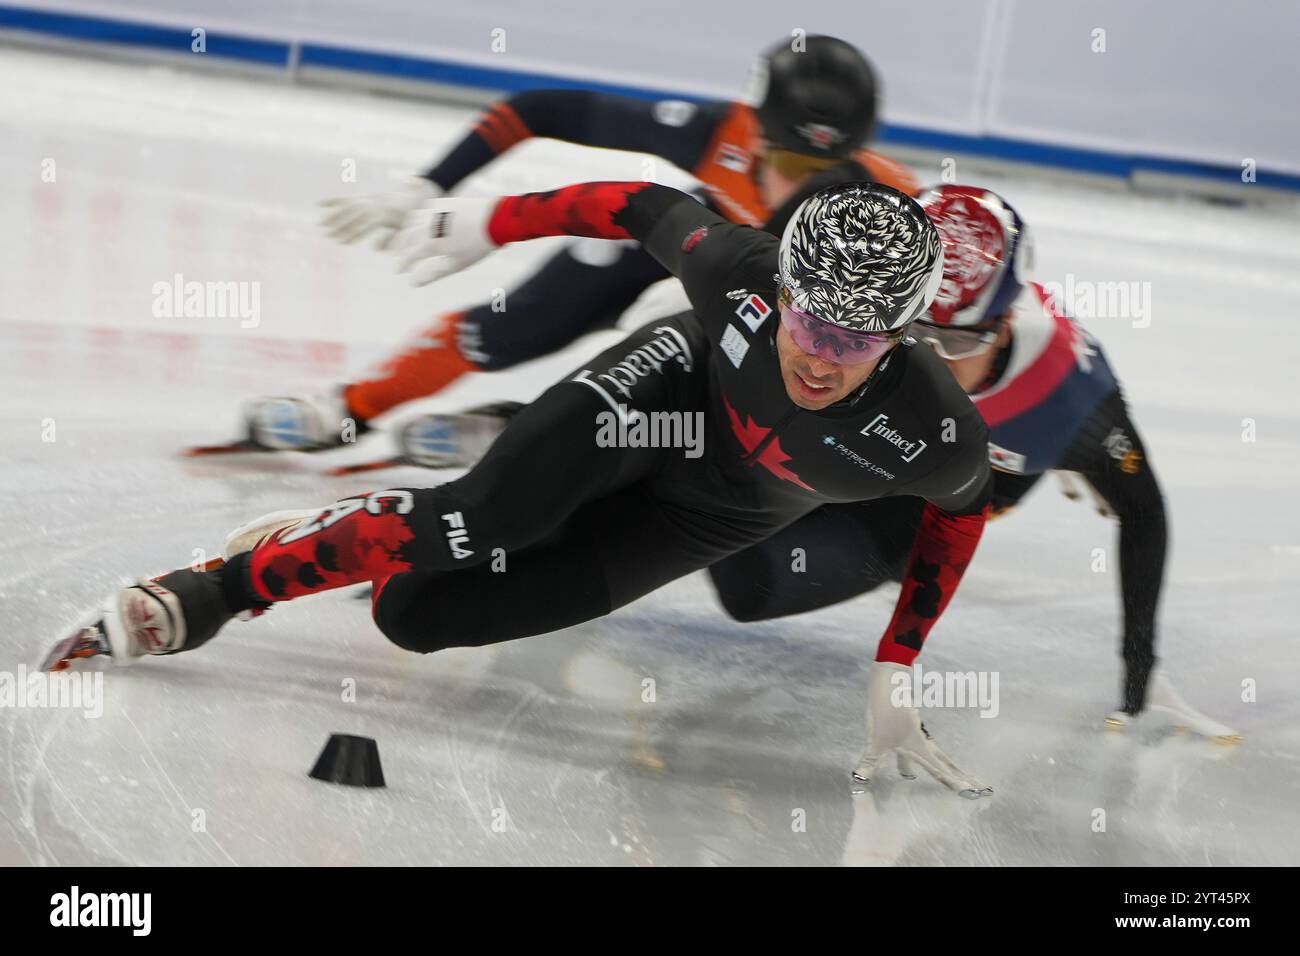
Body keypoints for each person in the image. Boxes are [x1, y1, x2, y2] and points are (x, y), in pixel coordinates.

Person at [48, 180, 997, 795]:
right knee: (480, 517)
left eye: (857, 339)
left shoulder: (936, 431)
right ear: (781, 287)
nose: (821, 360)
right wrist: (480, 225)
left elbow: (963, 516)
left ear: (907, 333)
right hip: (666, 387)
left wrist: (897, 658)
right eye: (810, 323)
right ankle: (220, 589)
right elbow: (636, 203)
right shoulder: (739, 276)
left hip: (709, 515)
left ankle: (351, 531)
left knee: (418, 616)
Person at [211, 34, 920, 454]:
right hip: (707, 238)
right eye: (786, 161)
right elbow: (539, 109)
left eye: (818, 175)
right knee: (527, 315)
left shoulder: (892, 214)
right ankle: (354, 405)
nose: (791, 184)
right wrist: (429, 186)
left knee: (676, 360)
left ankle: (543, 436)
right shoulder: (721, 136)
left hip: (783, 312)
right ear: (754, 130)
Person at [707, 184, 1237, 739]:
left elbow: (1144, 511)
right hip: (861, 444)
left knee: (753, 583)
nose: (930, 361)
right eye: (910, 330)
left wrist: (1140, 662)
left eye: (955, 343)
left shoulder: (1068, 398)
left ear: (1004, 324)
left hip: (925, 496)